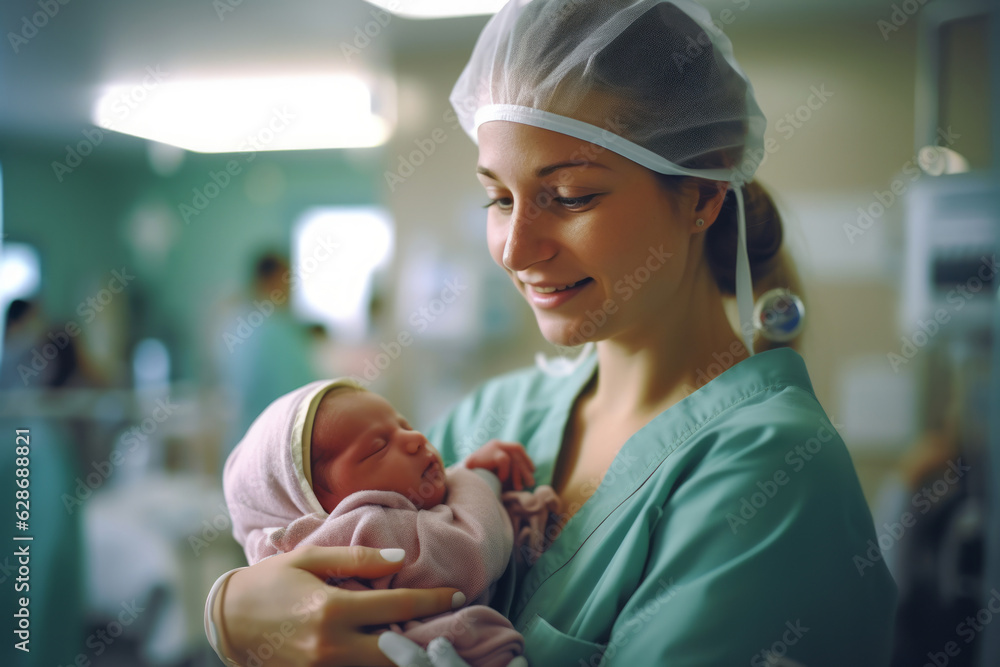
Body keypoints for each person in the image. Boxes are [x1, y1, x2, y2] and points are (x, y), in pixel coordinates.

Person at [205, 1, 897, 665]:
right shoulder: (496, 416)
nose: (513, 247)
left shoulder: (771, 471)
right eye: (499, 198)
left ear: (703, 191)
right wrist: (233, 609)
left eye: (569, 197)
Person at [220, 377, 544, 666]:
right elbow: (471, 551)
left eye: (404, 424)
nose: (416, 437)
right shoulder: (361, 529)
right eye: (377, 448)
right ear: (316, 507)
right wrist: (477, 478)